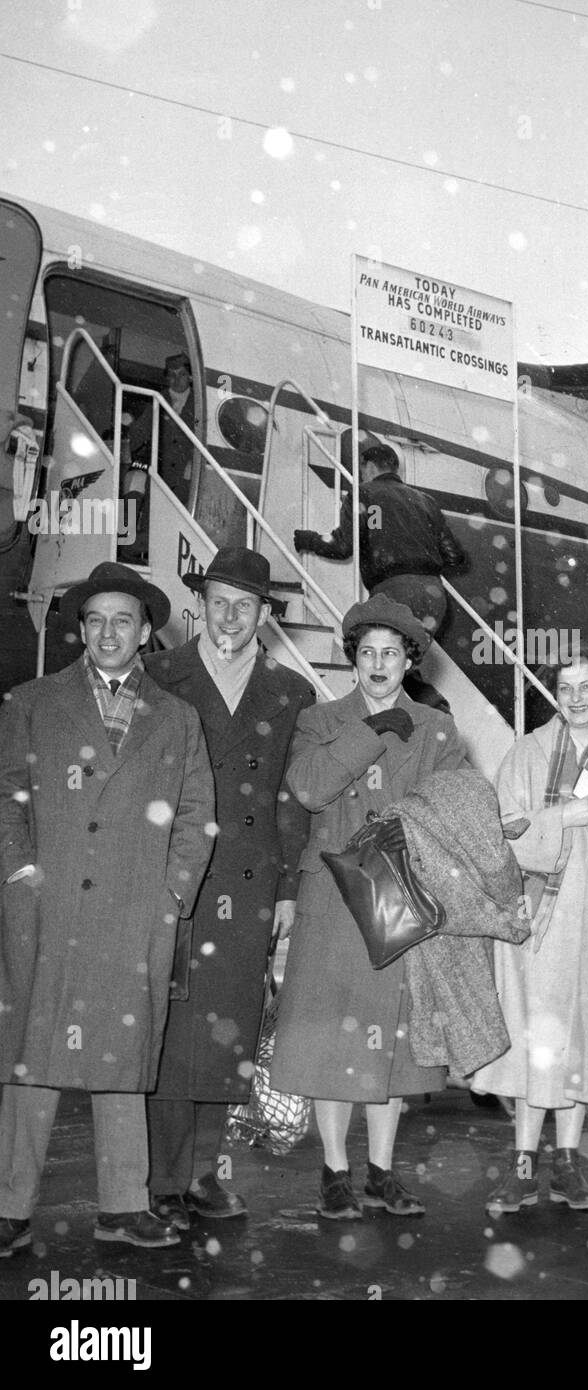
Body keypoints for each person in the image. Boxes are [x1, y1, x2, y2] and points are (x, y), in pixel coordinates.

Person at [0, 562, 215, 1256]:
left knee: (123, 1057)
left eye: (123, 619)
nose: (108, 631)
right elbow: (5, 793)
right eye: (95, 619)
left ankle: (124, 1206)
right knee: (32, 1060)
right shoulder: (31, 703)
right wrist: (18, 869)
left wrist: (171, 896)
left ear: (147, 630)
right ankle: (9, 1206)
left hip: (134, 911)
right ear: (82, 631)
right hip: (48, 906)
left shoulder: (178, 719)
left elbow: (195, 815)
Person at [269, 593, 470, 1219]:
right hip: (333, 897)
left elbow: (452, 807)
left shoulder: (438, 729)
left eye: (391, 653)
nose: (378, 664)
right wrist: (370, 732)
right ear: (351, 659)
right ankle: (334, 1171)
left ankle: (382, 1172)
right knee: (335, 1038)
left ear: (409, 660)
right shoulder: (322, 719)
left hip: (403, 896)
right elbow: (307, 789)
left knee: (397, 1048)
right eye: (367, 653)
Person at [143, 548, 315, 1227]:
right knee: (168, 1030)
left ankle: (206, 1176)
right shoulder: (161, 675)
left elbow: (287, 799)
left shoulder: (289, 690)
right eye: (219, 601)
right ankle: (162, 1178)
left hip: (249, 881)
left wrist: (287, 887)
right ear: (200, 605)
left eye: (246, 604)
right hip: (175, 875)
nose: (231, 615)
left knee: (230, 1032)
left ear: (265, 615)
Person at [472, 643, 588, 1212]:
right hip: (536, 920)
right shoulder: (527, 752)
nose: (577, 699)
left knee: (580, 1035)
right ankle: (522, 1162)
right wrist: (560, 817)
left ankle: (566, 1161)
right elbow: (504, 831)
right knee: (535, 1039)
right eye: (565, 689)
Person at [293, 442, 467, 637]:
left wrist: (309, 540)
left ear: (370, 466)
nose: (362, 476)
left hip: (393, 591)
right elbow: (454, 556)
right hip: (433, 596)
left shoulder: (365, 494)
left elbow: (343, 546)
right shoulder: (426, 501)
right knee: (404, 659)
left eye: (362, 470)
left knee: (376, 652)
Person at [126, 350, 198, 506]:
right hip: (160, 472)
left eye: (182, 374)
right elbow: (139, 432)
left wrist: (194, 463)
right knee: (151, 515)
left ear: (191, 377)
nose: (176, 379)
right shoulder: (158, 400)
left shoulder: (199, 404)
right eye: (172, 375)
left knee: (180, 518)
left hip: (187, 475)